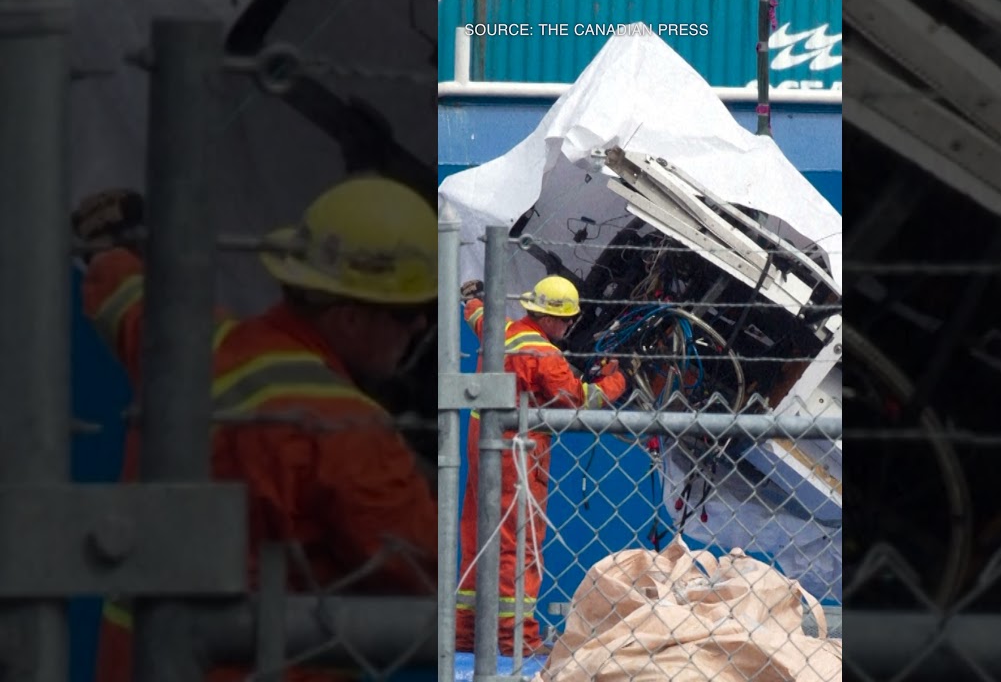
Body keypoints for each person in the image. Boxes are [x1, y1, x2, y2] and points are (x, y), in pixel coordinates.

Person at [74, 179, 439, 682]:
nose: (421, 326)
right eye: (408, 313)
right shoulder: (349, 433)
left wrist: (110, 246)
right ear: (349, 315)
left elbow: (122, 291)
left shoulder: (188, 351)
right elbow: (437, 568)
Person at [455, 274, 627, 655]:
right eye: (566, 320)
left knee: (476, 540)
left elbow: (477, 313)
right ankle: (517, 640)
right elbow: (580, 401)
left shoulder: (500, 329)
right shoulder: (544, 355)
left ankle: (464, 636)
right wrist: (616, 380)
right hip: (518, 452)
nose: (568, 327)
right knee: (519, 546)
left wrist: (471, 298)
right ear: (549, 318)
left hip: (480, 441)